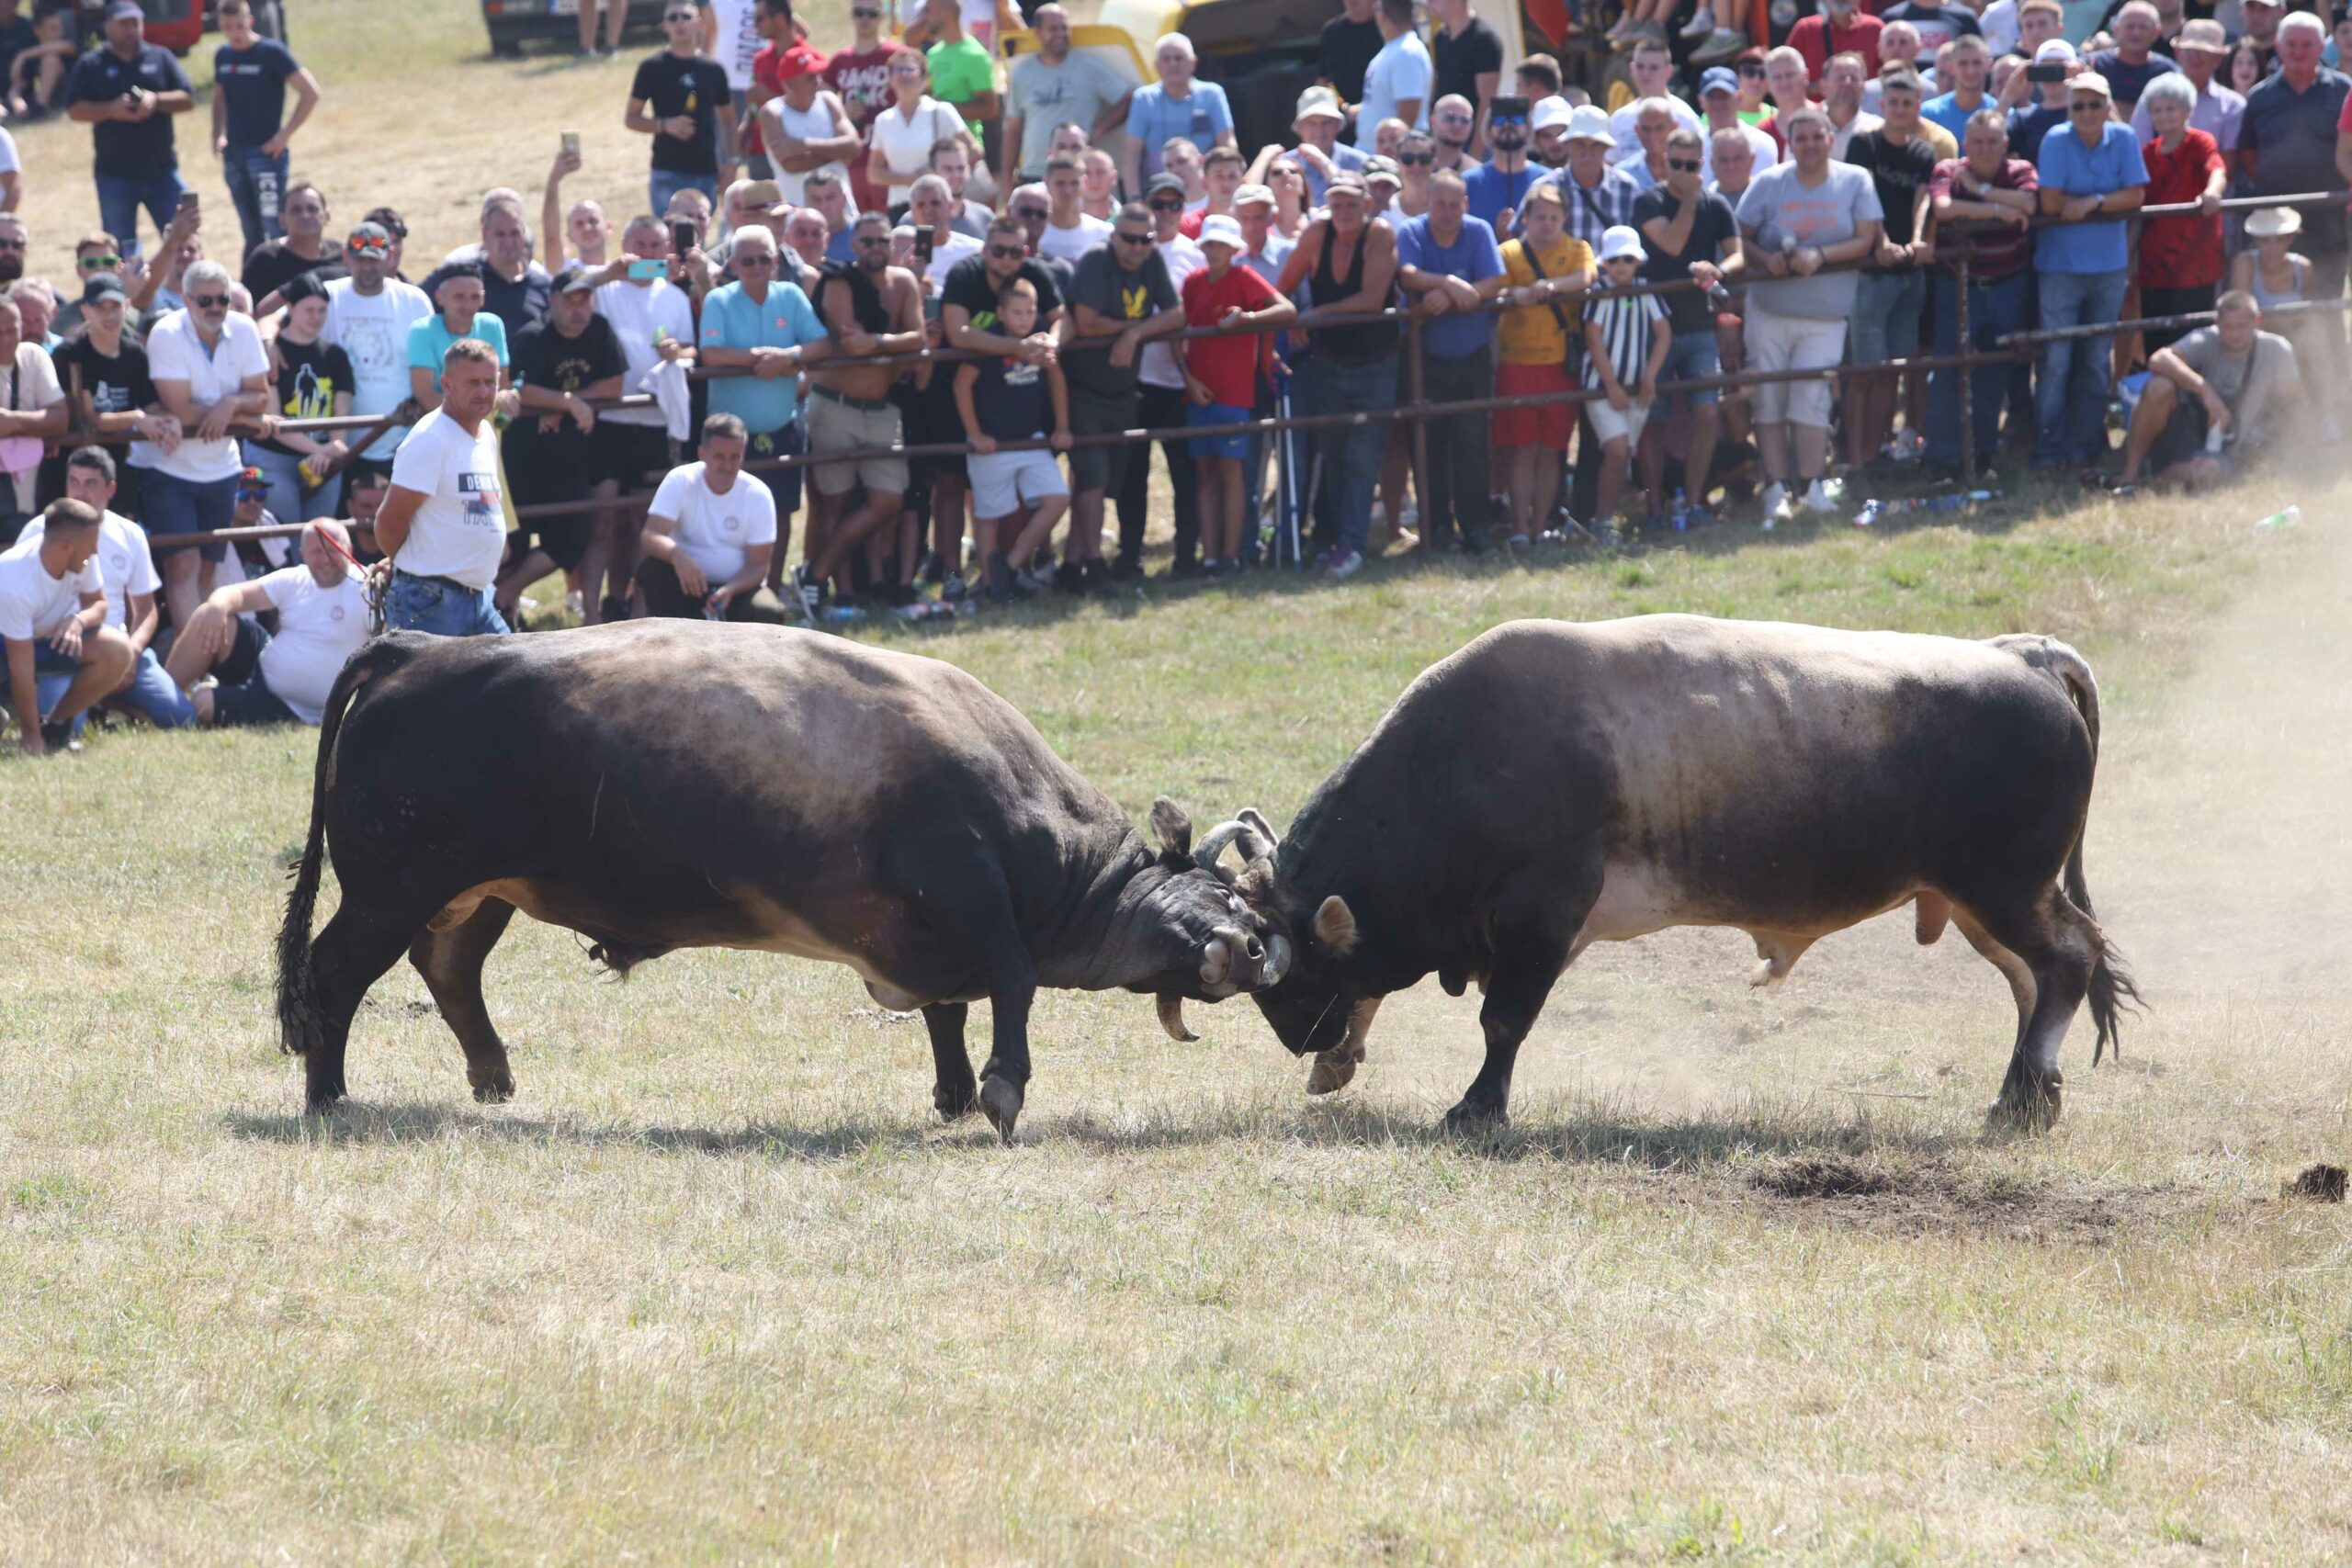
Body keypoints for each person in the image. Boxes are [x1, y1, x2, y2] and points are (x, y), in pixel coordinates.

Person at [1736, 107, 1884, 523]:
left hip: (1826, 314)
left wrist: (1819, 256)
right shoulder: (1768, 183)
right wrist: (1768, 260)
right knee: (1769, 400)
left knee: (1812, 399)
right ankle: (1776, 490)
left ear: (1830, 139)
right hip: (1769, 310)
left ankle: (1813, 485)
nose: (1809, 145)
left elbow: (1866, 238)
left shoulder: (1855, 180)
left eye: (1816, 137)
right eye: (1801, 138)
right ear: (1789, 141)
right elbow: (1738, 237)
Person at [1273, 175, 1398, 579]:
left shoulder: (1379, 234)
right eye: (1336, 205)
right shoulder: (1315, 234)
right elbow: (1281, 287)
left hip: (1375, 362)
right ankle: (1331, 540)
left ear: (1366, 204)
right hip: (1329, 362)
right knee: (1333, 452)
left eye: (1351, 204)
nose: (1343, 213)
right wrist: (1289, 316)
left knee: (1363, 456)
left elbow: (1371, 300)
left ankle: (1353, 545)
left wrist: (1315, 315)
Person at [798, 211, 924, 607]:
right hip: (834, 406)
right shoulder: (837, 282)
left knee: (888, 499)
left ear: (891, 245)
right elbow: (851, 342)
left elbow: (918, 337)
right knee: (833, 503)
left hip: (882, 409)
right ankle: (841, 593)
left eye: (881, 241)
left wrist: (880, 342)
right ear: (853, 246)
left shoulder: (904, 283)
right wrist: (887, 343)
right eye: (867, 242)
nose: (875, 248)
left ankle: (815, 573)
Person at [18, 447, 187, 728]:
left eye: (90, 484)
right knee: (65, 731)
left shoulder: (130, 534)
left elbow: (146, 610)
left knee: (182, 718)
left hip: (116, 644)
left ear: (111, 489)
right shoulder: (37, 532)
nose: (80, 492)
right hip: (58, 647)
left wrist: (131, 653)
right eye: (74, 482)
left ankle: (110, 700)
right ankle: (95, 704)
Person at [1063, 200, 1185, 581]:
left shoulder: (1152, 263)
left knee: (1106, 483)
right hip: (1085, 391)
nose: (1136, 247)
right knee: (1092, 481)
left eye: (1145, 239)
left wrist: (1134, 333)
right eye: (1129, 239)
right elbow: (1086, 322)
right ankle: (1095, 565)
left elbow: (1176, 313)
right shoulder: (1096, 261)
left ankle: (1072, 565)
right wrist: (1131, 329)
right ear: (1113, 236)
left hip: (1123, 393)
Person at [143, 261, 270, 627]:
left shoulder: (244, 328)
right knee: (182, 564)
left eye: (223, 299)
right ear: (185, 299)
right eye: (206, 300)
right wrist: (243, 415)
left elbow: (260, 397)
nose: (216, 307)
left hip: (222, 466)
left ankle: (202, 658)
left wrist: (231, 406)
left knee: (208, 568)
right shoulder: (166, 333)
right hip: (169, 466)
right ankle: (195, 667)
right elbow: (180, 412)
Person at [499, 265, 627, 623]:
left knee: (572, 537)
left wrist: (565, 400)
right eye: (570, 301)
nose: (578, 308)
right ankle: (501, 611)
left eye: (584, 299)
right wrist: (566, 403)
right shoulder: (532, 337)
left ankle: (506, 594)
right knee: (515, 543)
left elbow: (614, 384)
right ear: (553, 301)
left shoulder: (599, 329)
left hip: (571, 456)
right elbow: (519, 390)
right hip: (523, 456)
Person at [2033, 71, 2146, 469]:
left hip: (2109, 266)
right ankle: (2047, 447)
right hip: (2060, 267)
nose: (2086, 112)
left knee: (2097, 359)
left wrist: (2090, 202)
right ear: (2069, 108)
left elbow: (2137, 194)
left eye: (2095, 104)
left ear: (2107, 105)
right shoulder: (2055, 140)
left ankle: (2084, 446)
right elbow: (2049, 203)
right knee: (2057, 360)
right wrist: (2105, 201)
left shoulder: (2125, 138)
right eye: (2078, 105)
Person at [162, 517, 368, 726]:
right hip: (263, 661)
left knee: (203, 703)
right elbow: (235, 594)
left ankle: (178, 707)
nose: (325, 559)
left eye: (333, 550)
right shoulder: (296, 578)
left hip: (288, 706)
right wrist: (217, 605)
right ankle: (160, 701)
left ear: (349, 549)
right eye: (316, 551)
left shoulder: (368, 586)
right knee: (207, 614)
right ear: (302, 553)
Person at [698, 224, 825, 561]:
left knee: (778, 511)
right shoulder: (719, 299)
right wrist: (762, 357)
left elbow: (821, 343)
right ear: (733, 265)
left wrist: (788, 357)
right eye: (748, 260)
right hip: (729, 436)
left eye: (764, 260)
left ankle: (773, 588)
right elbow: (711, 353)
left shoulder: (791, 295)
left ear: (776, 262)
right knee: (725, 513)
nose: (757, 267)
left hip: (782, 425)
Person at [1395, 169, 1505, 555]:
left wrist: (1458, 292)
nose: (1446, 211)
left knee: (1473, 446)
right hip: (1425, 360)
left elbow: (1495, 281)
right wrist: (1448, 283)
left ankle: (1476, 529)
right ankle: (1435, 531)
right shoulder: (1411, 231)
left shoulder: (1478, 231)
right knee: (1429, 447)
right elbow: (1407, 275)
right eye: (1439, 203)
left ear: (1466, 204)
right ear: (1428, 204)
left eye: (1453, 204)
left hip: (1473, 355)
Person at [1176, 214, 1293, 577]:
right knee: (1206, 474)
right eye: (1210, 244)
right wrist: (1189, 381)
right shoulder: (1193, 283)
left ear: (1232, 249)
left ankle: (1231, 555)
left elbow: (1286, 309)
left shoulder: (1243, 277)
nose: (1215, 251)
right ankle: (1211, 556)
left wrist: (1248, 320)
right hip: (1200, 393)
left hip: (1235, 393)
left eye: (1221, 245)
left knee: (1231, 473)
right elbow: (1177, 334)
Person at [1634, 127, 1738, 524]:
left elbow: (1737, 254)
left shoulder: (1716, 205)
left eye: (1691, 165)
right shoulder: (1649, 201)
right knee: (1654, 422)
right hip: (1655, 328)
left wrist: (1719, 269)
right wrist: (1692, 200)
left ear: (1702, 163)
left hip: (1699, 327)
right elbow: (1672, 244)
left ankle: (1693, 503)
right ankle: (1654, 507)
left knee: (1708, 414)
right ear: (1664, 163)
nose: (1683, 171)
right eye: (1676, 164)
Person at [1926, 107, 2040, 475]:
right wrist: (1995, 209)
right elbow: (1942, 207)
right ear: (1965, 143)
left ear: (2005, 143)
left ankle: (1983, 453)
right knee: (1947, 372)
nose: (1986, 149)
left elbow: (2028, 203)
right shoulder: (1948, 170)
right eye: (1978, 142)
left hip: (2008, 284)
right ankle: (1943, 459)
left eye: (1993, 141)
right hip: (1956, 287)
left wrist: (1978, 191)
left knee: (1993, 372)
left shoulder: (2021, 170)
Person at [2240, 15, 2348, 396]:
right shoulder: (2260, 97)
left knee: (2326, 309)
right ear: (2279, 48)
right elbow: (2249, 155)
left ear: (2322, 48)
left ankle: (2335, 400)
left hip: (2330, 223)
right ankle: (2285, 400)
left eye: (2307, 45)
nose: (2299, 53)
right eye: (2292, 45)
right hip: (2276, 227)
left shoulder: (2344, 91)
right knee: (2279, 312)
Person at [374, 339, 511, 637]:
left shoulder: (485, 431)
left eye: (491, 381)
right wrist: (410, 563)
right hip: (430, 600)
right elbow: (388, 522)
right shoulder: (431, 439)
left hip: (478, 596)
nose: (485, 391)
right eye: (473, 382)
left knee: (520, 682)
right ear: (447, 384)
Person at [1845, 71, 1941, 473]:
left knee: (1894, 370)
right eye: (1893, 102)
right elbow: (1863, 195)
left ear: (1917, 106)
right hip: (1871, 273)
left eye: (1907, 103)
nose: (1900, 110)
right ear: (1881, 105)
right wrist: (1880, 243)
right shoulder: (1863, 144)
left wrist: (1919, 240)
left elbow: (1924, 198)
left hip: (1907, 273)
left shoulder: (1923, 152)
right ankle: (1853, 459)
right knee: (1864, 372)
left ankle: (1877, 451)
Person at [952, 276, 1072, 596]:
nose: (1024, 318)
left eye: (1030, 311)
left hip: (1030, 439)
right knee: (990, 516)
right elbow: (961, 385)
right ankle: (994, 584)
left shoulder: (1042, 340)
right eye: (1016, 312)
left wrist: (1062, 427)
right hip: (992, 444)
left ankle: (1014, 563)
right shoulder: (989, 342)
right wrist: (975, 434)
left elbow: (1057, 379)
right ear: (1001, 313)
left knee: (1058, 497)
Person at [2115, 291, 2304, 488]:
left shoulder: (2277, 350)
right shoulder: (2205, 340)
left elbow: (2295, 402)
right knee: (2158, 387)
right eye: (2228, 327)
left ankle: (2151, 480)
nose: (2235, 334)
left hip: (2236, 447)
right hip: (2189, 434)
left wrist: (2303, 448)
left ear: (2257, 321)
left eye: (2242, 326)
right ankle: (2130, 474)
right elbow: (2158, 359)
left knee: (2208, 472)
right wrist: (2206, 391)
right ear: (2217, 323)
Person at [1121, 175, 1209, 576]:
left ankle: (1186, 554)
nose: (1168, 213)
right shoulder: (1128, 252)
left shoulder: (1197, 254)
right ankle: (1129, 555)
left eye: (1176, 205)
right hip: (1136, 381)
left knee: (1184, 476)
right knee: (1132, 476)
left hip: (1180, 382)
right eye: (1160, 205)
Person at [1495, 183, 1591, 545]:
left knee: (1552, 450)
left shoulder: (1578, 249)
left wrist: (1549, 287)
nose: (1547, 224)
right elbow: (1493, 289)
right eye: (1540, 217)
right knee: (1520, 450)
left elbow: (1586, 278)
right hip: (1516, 363)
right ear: (1526, 219)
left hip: (1559, 365)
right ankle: (1521, 528)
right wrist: (1513, 294)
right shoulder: (1508, 252)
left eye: (1554, 217)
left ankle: (1541, 528)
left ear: (1564, 218)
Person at [63, 1, 198, 262]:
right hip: (115, 175)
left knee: (186, 240)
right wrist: (111, 109)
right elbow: (74, 109)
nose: (131, 30)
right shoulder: (91, 64)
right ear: (108, 26)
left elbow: (188, 98)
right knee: (120, 249)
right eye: (124, 24)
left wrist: (155, 100)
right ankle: (124, 300)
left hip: (162, 171)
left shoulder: (160, 57)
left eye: (135, 23)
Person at [0, 498, 132, 755]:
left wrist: (78, 619)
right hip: (6, 650)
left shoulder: (80, 557)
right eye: (92, 544)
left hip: (44, 642)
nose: (95, 551)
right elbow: (21, 668)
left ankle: (56, 727)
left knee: (117, 650)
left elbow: (98, 604)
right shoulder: (13, 580)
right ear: (65, 547)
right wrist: (30, 738)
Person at [635, 413, 793, 620]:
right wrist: (677, 556)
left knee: (768, 610)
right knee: (652, 571)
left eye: (735, 457)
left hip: (738, 591)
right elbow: (650, 536)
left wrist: (730, 590)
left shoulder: (758, 494)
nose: (728, 466)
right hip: (685, 585)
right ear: (702, 453)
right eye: (720, 456)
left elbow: (759, 565)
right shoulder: (680, 480)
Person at [322, 220, 432, 493]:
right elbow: (282, 318)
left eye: (375, 260)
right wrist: (267, 341)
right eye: (360, 260)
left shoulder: (414, 301)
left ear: (390, 257)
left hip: (401, 440)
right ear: (346, 257)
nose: (367, 267)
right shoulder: (326, 295)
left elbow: (432, 361)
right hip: (338, 444)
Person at [209, 0, 322, 263]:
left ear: (250, 21)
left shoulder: (272, 52)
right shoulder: (223, 56)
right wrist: (217, 134)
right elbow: (219, 97)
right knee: (250, 229)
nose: (235, 33)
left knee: (275, 224)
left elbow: (310, 92)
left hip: (266, 154)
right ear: (220, 26)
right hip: (234, 154)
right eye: (228, 27)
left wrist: (284, 135)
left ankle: (287, 272)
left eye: (239, 26)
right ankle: (255, 280)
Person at [51, 271, 167, 522]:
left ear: (127, 306)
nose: (109, 315)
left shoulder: (135, 354)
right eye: (99, 307)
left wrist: (169, 422)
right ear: (85, 311)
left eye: (115, 306)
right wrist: (136, 418)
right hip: (73, 471)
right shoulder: (69, 354)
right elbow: (89, 418)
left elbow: (153, 406)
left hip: (117, 470)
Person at [1581, 226, 1672, 532]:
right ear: (1604, 263)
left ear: (1637, 262)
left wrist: (1649, 377)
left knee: (1625, 453)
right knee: (1618, 450)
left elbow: (1664, 334)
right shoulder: (1599, 291)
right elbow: (1593, 338)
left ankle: (1611, 518)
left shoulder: (1645, 289)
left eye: (1627, 259)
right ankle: (1602, 521)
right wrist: (1611, 386)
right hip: (1601, 387)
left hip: (1636, 387)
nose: (1620, 265)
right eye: (1614, 259)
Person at [2136, 72, 2227, 356]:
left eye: (2171, 108)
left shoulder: (2200, 142)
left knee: (2194, 337)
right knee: (2156, 336)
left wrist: (2212, 192)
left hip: (2195, 259)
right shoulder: (2148, 153)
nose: (2164, 116)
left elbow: (2217, 169)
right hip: (2154, 263)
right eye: (2157, 110)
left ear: (2187, 110)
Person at [251, 273, 353, 526]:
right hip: (276, 459)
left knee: (322, 531)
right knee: (289, 536)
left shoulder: (335, 354)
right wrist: (320, 450)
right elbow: (275, 421)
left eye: (322, 310)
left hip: (323, 459)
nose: (316, 317)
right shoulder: (272, 352)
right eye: (309, 310)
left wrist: (334, 449)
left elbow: (342, 409)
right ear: (290, 308)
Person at [1002, 5, 1129, 192]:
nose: (1061, 34)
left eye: (1064, 27)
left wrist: (1098, 130)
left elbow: (1127, 98)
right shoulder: (1023, 73)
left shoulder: (1088, 68)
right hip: (1035, 173)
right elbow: (1013, 128)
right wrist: (1006, 179)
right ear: (1038, 32)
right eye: (1053, 29)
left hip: (1077, 174)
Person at [629, 2, 739, 220]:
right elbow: (631, 118)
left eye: (686, 17)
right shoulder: (652, 67)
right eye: (673, 18)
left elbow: (729, 120)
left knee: (698, 241)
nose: (679, 22)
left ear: (699, 23)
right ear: (665, 27)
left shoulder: (713, 69)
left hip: (706, 171)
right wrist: (664, 125)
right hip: (666, 170)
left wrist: (732, 162)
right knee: (667, 241)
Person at [2130, 20, 2243, 175]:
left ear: (2218, 59)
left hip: (2209, 196)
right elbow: (2137, 154)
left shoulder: (2232, 105)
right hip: (2159, 193)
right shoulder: (2153, 95)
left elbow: (2226, 168)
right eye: (2188, 50)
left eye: (2203, 51)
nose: (2194, 56)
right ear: (2177, 54)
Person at [1125, 34, 1237, 187]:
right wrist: (1134, 197)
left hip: (1206, 188)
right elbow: (1132, 154)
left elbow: (1227, 142)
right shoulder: (1143, 99)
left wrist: (1230, 182)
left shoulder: (1212, 94)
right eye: (1166, 59)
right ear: (1157, 66)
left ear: (1193, 62)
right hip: (1159, 191)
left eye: (1179, 58)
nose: (1173, 64)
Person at [867, 48, 972, 201]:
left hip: (939, 202)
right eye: (898, 70)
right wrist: (909, 179)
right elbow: (874, 173)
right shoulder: (883, 120)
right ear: (890, 80)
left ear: (924, 79)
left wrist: (943, 171)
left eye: (910, 70)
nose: (904, 75)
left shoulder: (941, 111)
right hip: (900, 204)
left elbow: (974, 150)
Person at [408, 265, 512, 413]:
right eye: (459, 296)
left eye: (475, 297)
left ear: (483, 299)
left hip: (477, 426)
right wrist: (475, 409)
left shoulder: (492, 325)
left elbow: (501, 384)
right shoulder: (423, 331)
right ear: (439, 297)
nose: (468, 305)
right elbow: (427, 397)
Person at [242, 181, 347, 309]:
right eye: (296, 210)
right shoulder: (265, 259)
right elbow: (250, 313)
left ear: (326, 216)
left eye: (312, 209)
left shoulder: (343, 256)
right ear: (282, 220)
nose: (305, 215)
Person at [916, 0, 998, 154]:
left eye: (928, 11)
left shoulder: (974, 55)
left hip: (966, 153)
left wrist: (944, 109)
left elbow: (989, 109)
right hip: (936, 150)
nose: (925, 18)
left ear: (945, 13)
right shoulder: (934, 54)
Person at [1611, 40, 1704, 164]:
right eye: (1640, 67)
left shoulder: (1686, 118)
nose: (1645, 74)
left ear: (1669, 71)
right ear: (1632, 69)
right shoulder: (1619, 119)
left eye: (1653, 68)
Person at [1357, 0, 1431, 152]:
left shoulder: (1407, 52)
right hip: (1373, 156)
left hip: (1390, 160)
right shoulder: (1395, 49)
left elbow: (1408, 115)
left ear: (1382, 16)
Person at [1429, 0, 1504, 149]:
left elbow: (1487, 102)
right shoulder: (1440, 39)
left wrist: (1477, 150)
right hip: (1442, 141)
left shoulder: (1484, 40)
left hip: (1468, 141)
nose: (1429, 6)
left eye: (1433, 0)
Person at [2087, 1, 2179, 120]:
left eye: (2143, 27)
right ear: (2116, 29)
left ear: (2156, 33)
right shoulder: (2093, 65)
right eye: (2130, 26)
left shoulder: (2168, 73)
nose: (2136, 33)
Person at [1464, 96, 1540, 231]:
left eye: (1517, 119)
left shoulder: (1546, 181)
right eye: (1499, 120)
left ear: (1528, 128)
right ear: (1489, 130)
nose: (1507, 125)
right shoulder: (1468, 182)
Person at [1697, 67, 1781, 183]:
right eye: (1712, 97)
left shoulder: (1762, 144)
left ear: (1739, 97)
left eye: (1724, 96)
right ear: (1701, 101)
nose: (1718, 103)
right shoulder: (1692, 149)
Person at [1039, 150, 1111, 262]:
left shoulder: (1104, 233)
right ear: (1047, 183)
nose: (1068, 190)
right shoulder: (1035, 232)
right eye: (1060, 183)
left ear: (1084, 182)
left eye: (1074, 183)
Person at [1923, 34, 1996, 145]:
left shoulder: (2001, 113)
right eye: (1963, 63)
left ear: (1989, 66)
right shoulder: (1929, 114)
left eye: (1977, 63)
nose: (1970, 71)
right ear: (1951, 67)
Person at [1790, 0, 1883, 85]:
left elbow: (1890, 76)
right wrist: (1818, 88)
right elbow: (1784, 81)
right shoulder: (1806, 30)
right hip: (1817, 103)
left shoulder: (1875, 29)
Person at [1321, 0, 1383, 109]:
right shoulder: (1331, 31)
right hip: (1342, 115)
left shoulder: (1385, 28)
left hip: (1381, 111)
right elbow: (1324, 80)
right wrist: (1342, 106)